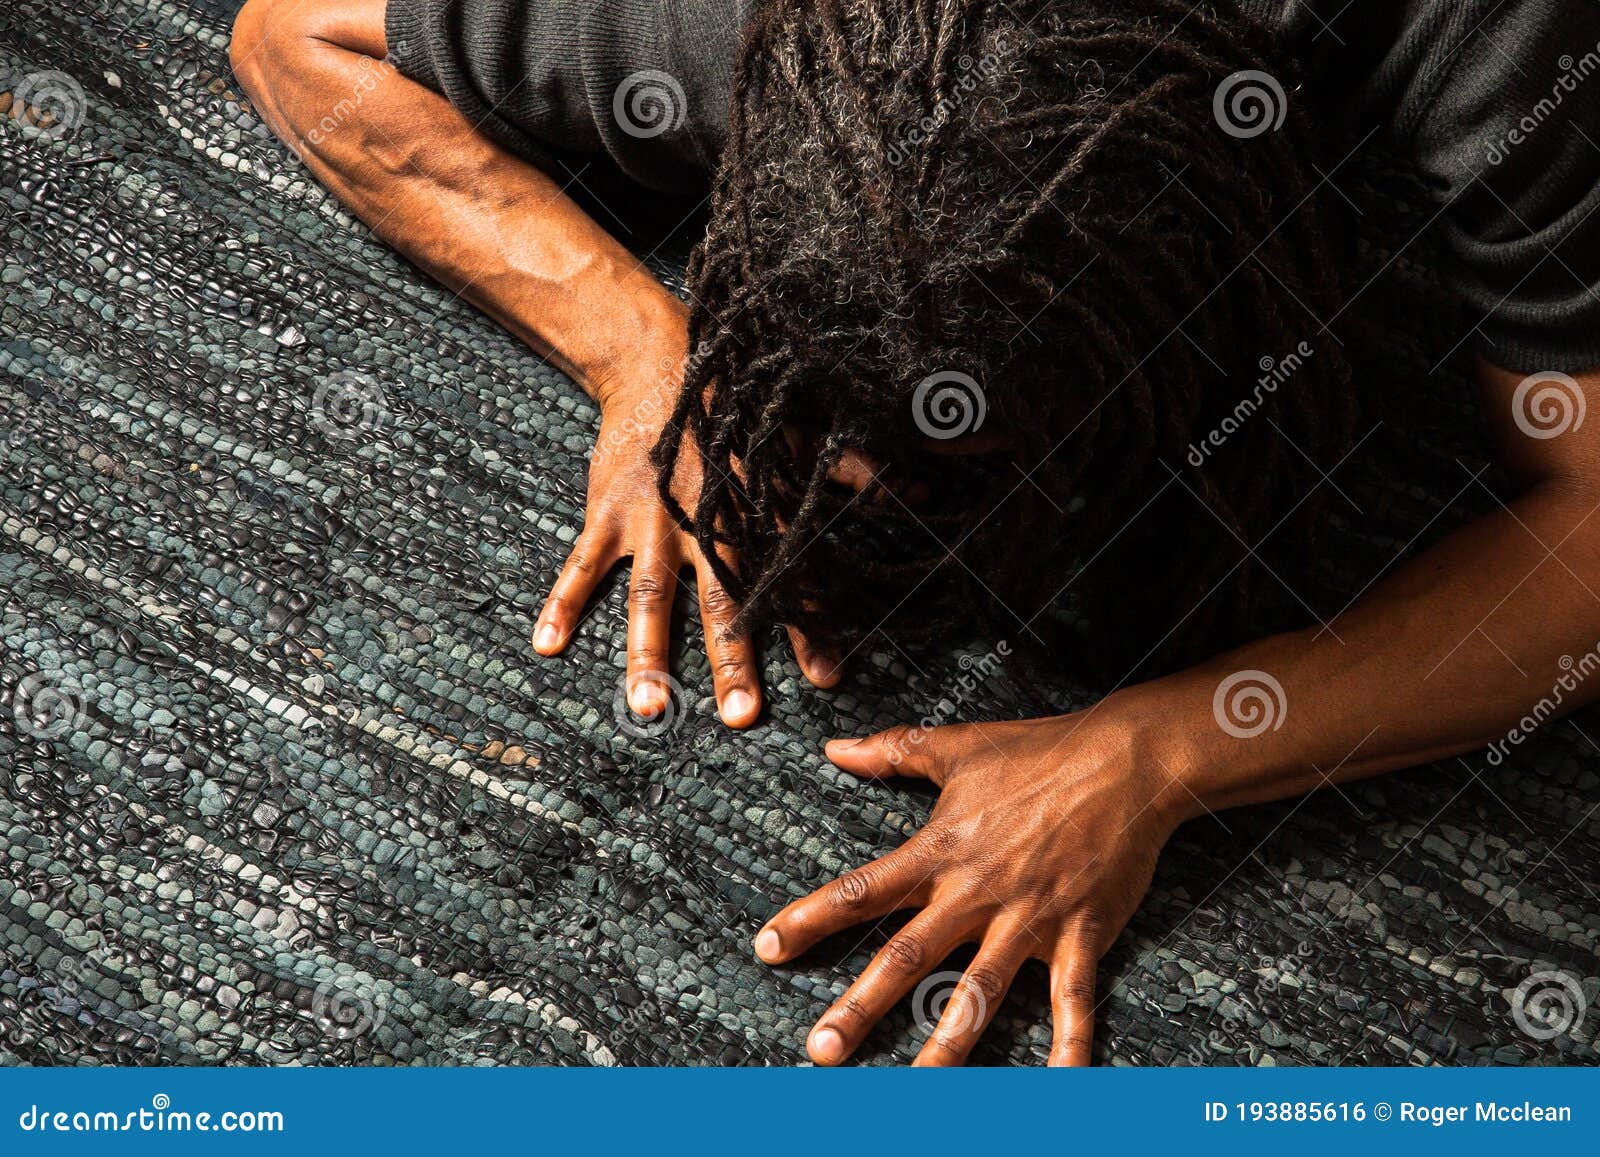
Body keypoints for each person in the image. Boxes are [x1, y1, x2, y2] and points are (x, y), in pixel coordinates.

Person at [228, 0, 1600, 1065]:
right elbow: (293, 33)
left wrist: (1158, 750)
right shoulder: (700, 35)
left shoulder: (1498, 37)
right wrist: (642, 350)